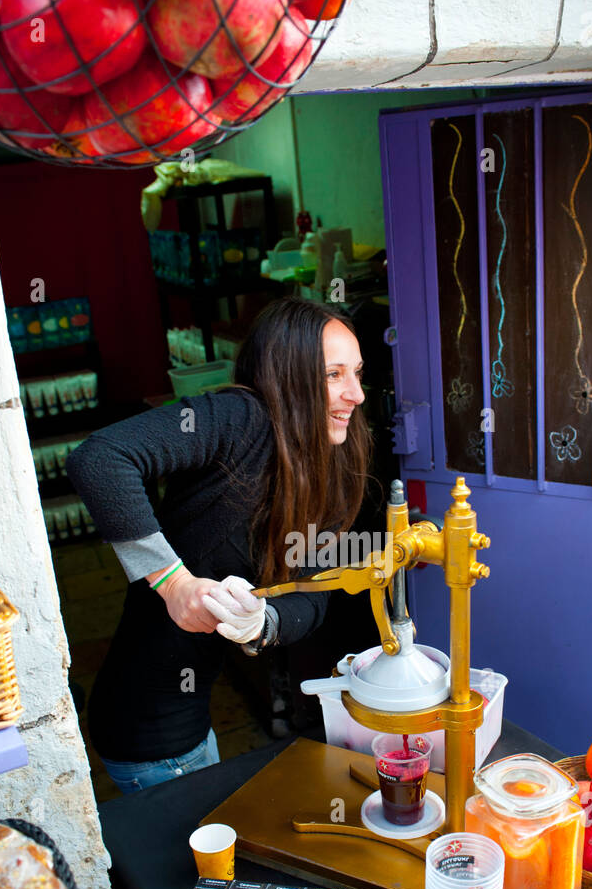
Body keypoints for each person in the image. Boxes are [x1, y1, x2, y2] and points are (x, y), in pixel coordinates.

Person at [66, 297, 370, 794]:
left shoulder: (325, 464)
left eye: (356, 372)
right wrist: (172, 581)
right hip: (149, 729)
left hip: (191, 713)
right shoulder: (239, 418)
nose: (355, 393)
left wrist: (262, 624)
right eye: (333, 375)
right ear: (286, 377)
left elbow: (315, 594)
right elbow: (101, 459)